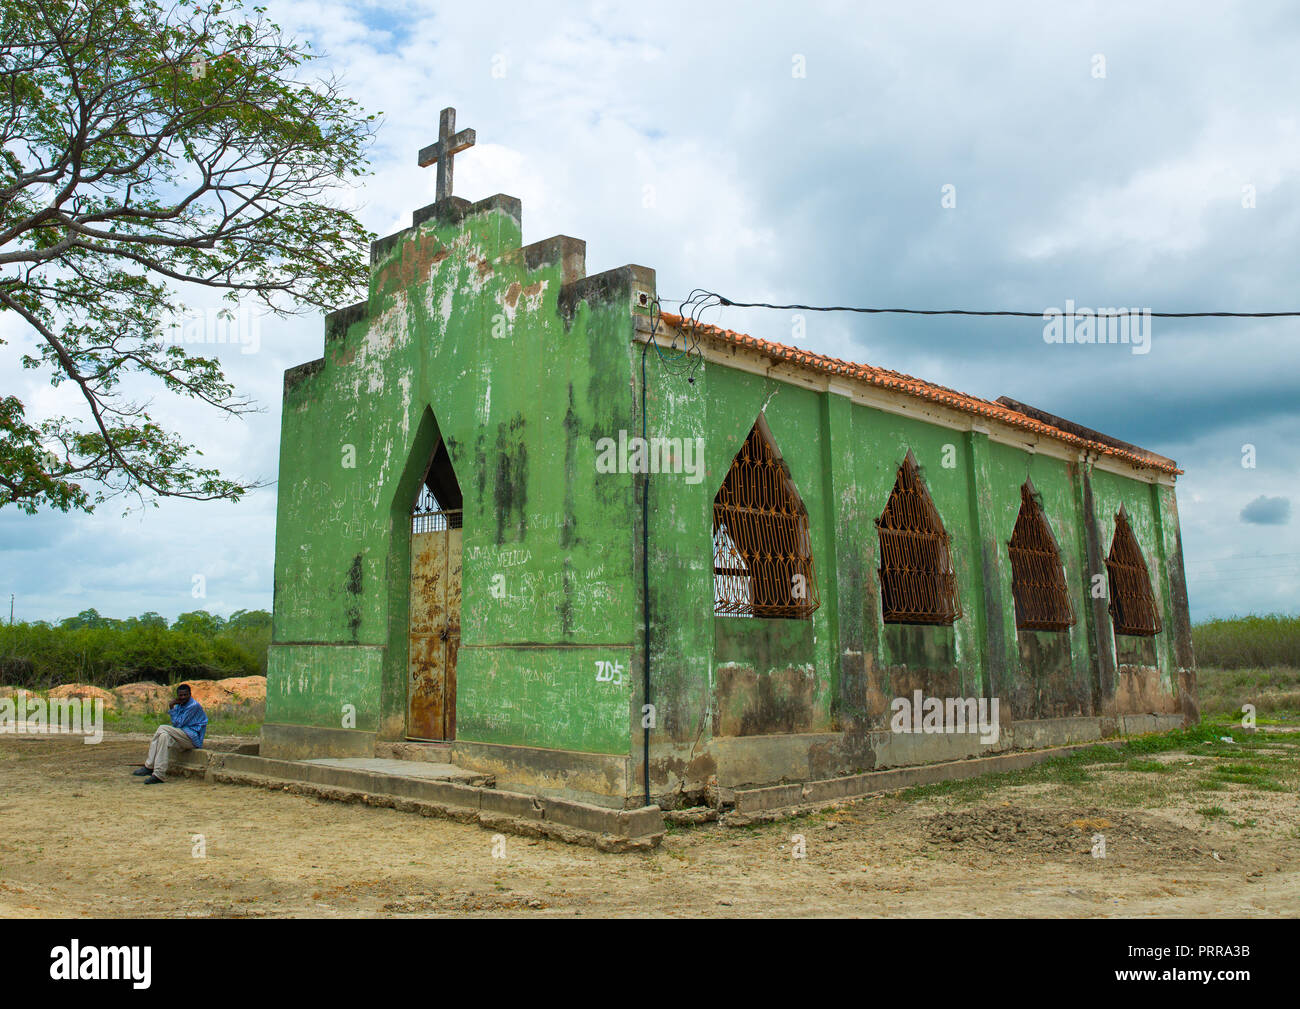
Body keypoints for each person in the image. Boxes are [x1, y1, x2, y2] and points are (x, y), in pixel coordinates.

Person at [133, 683, 207, 784]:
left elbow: (178, 724)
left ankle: (149, 766)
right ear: (178, 695)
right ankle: (159, 774)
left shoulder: (193, 706)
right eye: (181, 695)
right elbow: (177, 724)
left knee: (161, 728)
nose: (183, 697)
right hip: (183, 735)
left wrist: (171, 707)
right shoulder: (180, 705)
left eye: (185, 695)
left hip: (192, 738)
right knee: (163, 736)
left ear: (190, 694)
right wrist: (174, 707)